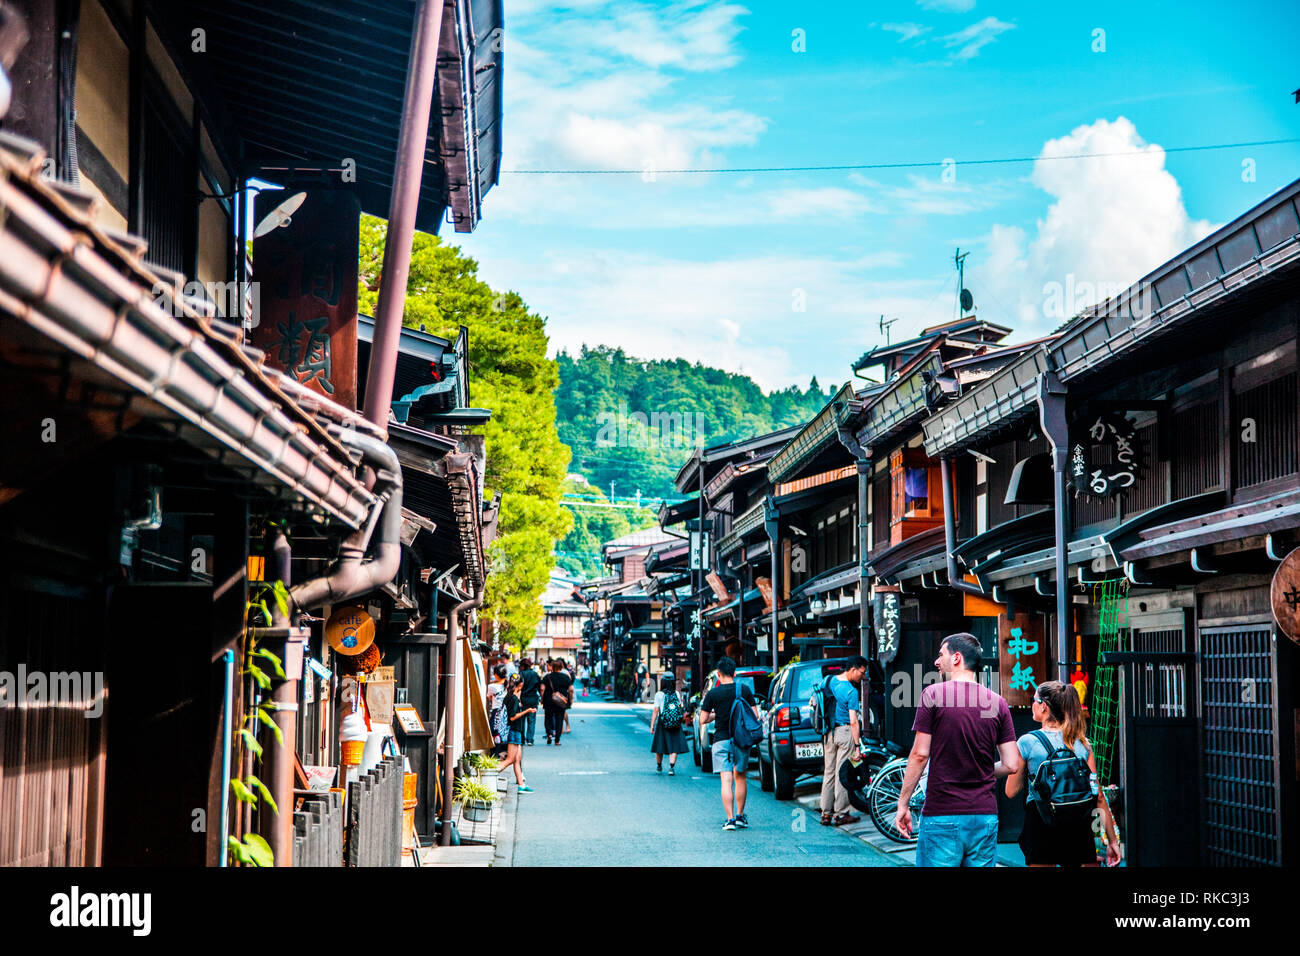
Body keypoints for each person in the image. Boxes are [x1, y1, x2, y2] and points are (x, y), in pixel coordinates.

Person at [895, 633, 1022, 867]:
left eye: (940, 654)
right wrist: (980, 771)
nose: (936, 661)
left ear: (956, 658)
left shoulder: (933, 695)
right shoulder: (997, 702)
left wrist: (903, 803)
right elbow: (1012, 764)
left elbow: (920, 754)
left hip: (942, 812)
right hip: (984, 815)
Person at [1006, 680, 1123, 866]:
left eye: (1033, 700)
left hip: (1041, 824)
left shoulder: (1027, 742)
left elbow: (1011, 791)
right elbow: (1099, 796)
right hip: (1078, 825)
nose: (1032, 705)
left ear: (1043, 706)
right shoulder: (1082, 743)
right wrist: (1113, 842)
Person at [699, 657, 759, 830]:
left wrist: (716, 714)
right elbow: (754, 716)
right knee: (740, 776)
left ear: (718, 674)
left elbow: (703, 719)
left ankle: (730, 819)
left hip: (721, 739)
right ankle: (740, 816)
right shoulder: (744, 690)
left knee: (726, 780)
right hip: (740, 740)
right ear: (734, 673)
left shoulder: (713, 694)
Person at [819, 655, 868, 827]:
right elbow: (854, 721)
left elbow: (814, 701)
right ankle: (840, 813)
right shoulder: (851, 691)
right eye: (861, 673)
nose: (862, 676)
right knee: (843, 774)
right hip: (845, 732)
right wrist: (857, 745)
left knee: (829, 772)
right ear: (853, 669)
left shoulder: (827, 681)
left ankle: (825, 813)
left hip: (828, 733)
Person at [499, 676, 535, 792]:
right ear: (520, 685)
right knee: (510, 759)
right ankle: (489, 774)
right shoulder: (513, 698)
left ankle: (521, 785)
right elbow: (513, 717)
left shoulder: (509, 696)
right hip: (514, 730)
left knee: (517, 759)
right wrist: (527, 711)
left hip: (514, 730)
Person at [649, 674, 690, 774]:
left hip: (663, 722)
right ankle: (671, 767)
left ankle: (659, 766)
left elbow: (656, 710)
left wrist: (652, 725)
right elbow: (679, 707)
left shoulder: (659, 694)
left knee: (660, 746)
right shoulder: (676, 693)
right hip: (675, 723)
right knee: (674, 745)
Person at [541, 659, 574, 745]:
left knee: (548, 718)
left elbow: (542, 689)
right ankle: (557, 740)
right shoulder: (565, 677)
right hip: (561, 702)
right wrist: (570, 699)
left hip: (548, 701)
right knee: (559, 719)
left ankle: (549, 734)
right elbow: (571, 689)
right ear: (561, 667)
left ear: (553, 667)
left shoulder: (547, 677)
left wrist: (542, 698)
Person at [487, 664, 509, 757]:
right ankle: (503, 752)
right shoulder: (508, 684)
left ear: (496, 674)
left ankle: (495, 753)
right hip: (506, 711)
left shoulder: (492, 686)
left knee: (494, 732)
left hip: (497, 711)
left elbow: (489, 698)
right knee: (503, 732)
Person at [519, 658, 542, 745]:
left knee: (521, 719)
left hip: (522, 698)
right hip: (533, 698)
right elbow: (540, 686)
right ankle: (530, 739)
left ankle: (521, 739)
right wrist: (541, 698)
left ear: (522, 666)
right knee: (531, 720)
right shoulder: (535, 674)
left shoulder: (520, 674)